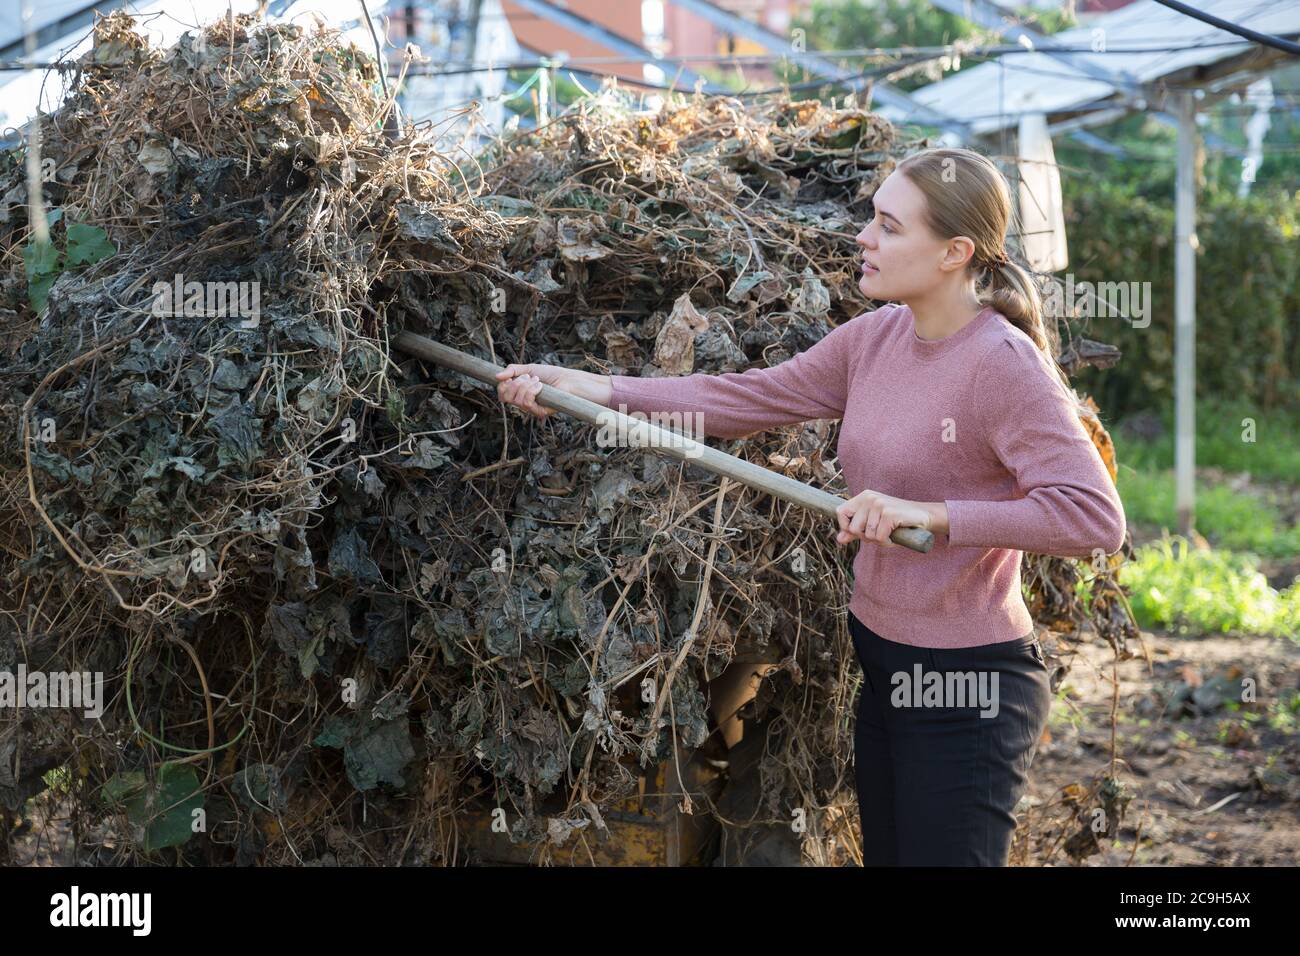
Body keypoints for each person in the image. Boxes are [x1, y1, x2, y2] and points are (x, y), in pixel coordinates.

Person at [494, 147, 1126, 866]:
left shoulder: (1002, 364)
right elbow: (746, 397)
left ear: (955, 251)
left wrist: (935, 516)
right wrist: (595, 389)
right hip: (886, 663)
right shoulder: (877, 338)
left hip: (970, 688)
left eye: (888, 226)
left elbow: (1093, 517)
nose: (863, 238)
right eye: (871, 220)